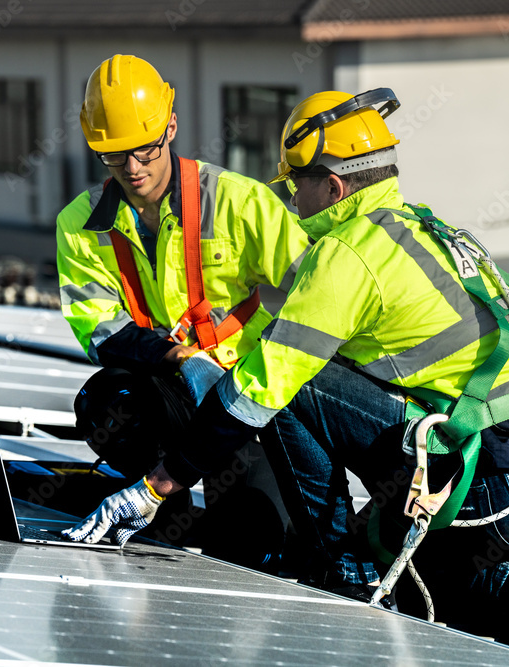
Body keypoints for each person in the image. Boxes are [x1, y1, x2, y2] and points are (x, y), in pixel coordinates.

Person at [64, 87, 509, 660]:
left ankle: (348, 579)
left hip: (503, 489)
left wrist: (153, 490)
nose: (292, 202)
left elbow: (259, 391)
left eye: (298, 186)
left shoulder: (348, 254)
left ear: (335, 186)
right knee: (385, 542)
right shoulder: (435, 231)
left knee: (291, 391)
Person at [56, 54, 310, 551]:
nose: (132, 169)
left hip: (246, 388)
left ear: (170, 128)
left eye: (145, 150)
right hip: (168, 383)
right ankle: (159, 510)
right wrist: (173, 356)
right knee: (104, 402)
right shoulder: (80, 223)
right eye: (114, 155)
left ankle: (221, 507)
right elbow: (98, 325)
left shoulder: (240, 202)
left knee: (256, 534)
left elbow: (319, 290)